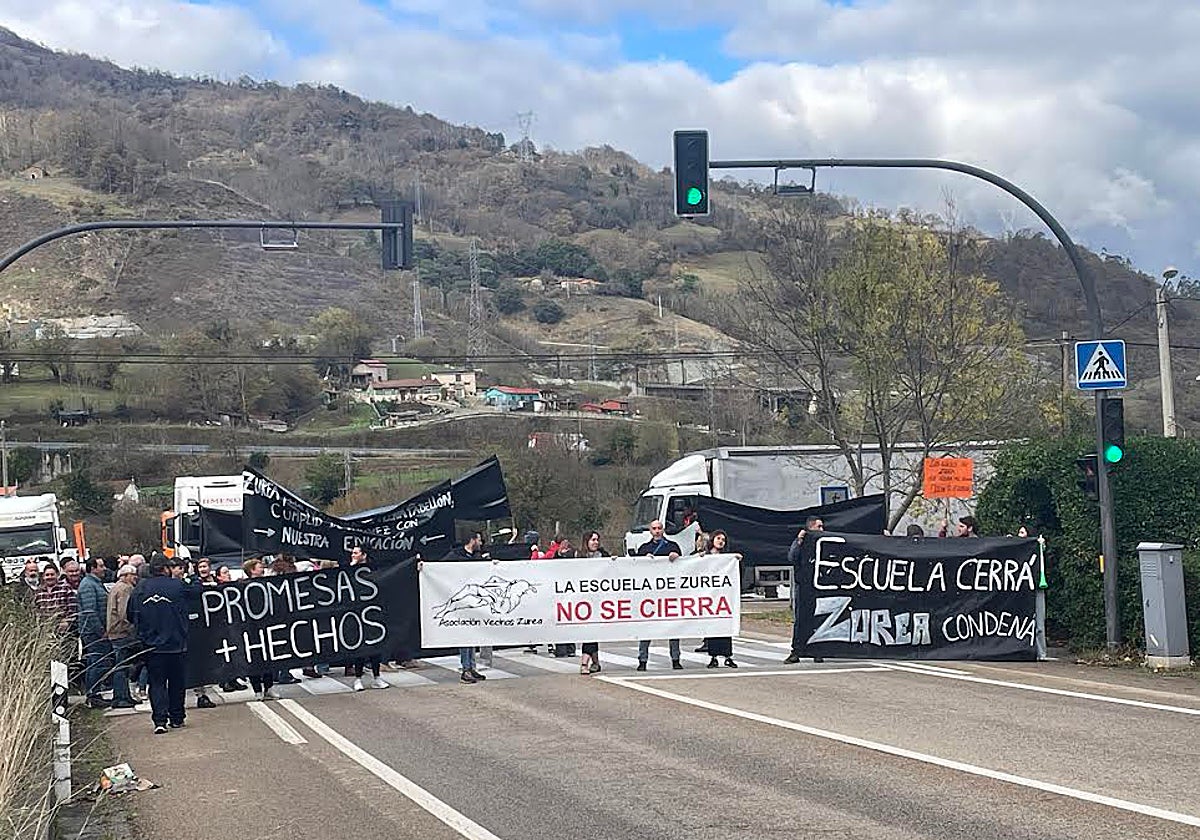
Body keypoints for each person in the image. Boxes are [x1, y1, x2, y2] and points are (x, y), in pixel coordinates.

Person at [127, 556, 197, 734]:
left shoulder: (140, 588)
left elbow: (129, 614)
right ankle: (176, 717)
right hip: (176, 643)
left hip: (151, 645)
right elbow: (198, 593)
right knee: (176, 682)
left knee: (156, 682)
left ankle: (159, 720)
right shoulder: (177, 586)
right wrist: (190, 576)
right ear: (166, 568)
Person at [635, 520, 684, 671]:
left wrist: (677, 557)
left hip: (669, 593)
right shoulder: (644, 548)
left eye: (659, 528)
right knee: (647, 628)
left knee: (673, 628)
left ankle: (675, 659)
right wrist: (645, 560)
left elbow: (684, 566)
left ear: (663, 530)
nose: (657, 531)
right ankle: (642, 660)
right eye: (654, 528)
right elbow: (635, 567)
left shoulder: (673, 547)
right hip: (649, 595)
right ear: (650, 531)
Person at [444, 532, 488, 684]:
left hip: (474, 602)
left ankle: (471, 667)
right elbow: (439, 567)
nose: (480, 542)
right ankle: (465, 669)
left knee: (473, 635)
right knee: (465, 635)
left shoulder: (477, 556)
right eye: (478, 539)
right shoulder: (455, 555)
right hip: (462, 601)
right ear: (472, 540)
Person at [784, 515, 824, 665]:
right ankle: (797, 651)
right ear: (810, 527)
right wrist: (799, 540)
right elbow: (792, 557)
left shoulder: (825, 542)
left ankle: (817, 650)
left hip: (819, 588)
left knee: (818, 619)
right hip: (803, 587)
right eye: (818, 526)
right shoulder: (801, 542)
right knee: (801, 619)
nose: (822, 529)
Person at [348, 546, 389, 692]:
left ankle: (377, 677)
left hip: (372, 613)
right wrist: (352, 566)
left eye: (356, 553)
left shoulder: (373, 569)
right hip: (356, 613)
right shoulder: (347, 569)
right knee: (360, 648)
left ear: (364, 555)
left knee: (375, 647)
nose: (353, 555)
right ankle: (358, 679)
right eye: (352, 553)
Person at [77, 556, 112, 709]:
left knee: (98, 662)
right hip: (93, 633)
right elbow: (90, 611)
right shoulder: (88, 586)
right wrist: (101, 630)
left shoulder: (95, 584)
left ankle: (95, 693)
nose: (104, 569)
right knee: (96, 663)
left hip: (96, 631)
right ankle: (93, 695)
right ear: (92, 568)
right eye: (101, 566)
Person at [105, 564, 140, 710]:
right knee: (122, 666)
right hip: (122, 632)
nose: (135, 578)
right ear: (125, 576)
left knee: (121, 665)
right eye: (133, 575)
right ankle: (121, 697)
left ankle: (123, 695)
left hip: (114, 631)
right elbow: (124, 612)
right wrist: (133, 627)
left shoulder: (115, 588)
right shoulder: (125, 589)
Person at [702, 530, 738, 669]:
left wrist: (736, 560)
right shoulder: (705, 556)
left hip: (724, 597)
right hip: (710, 597)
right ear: (712, 540)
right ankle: (713, 656)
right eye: (718, 538)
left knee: (725, 626)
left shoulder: (727, 558)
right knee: (713, 627)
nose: (721, 541)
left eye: (723, 539)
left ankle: (728, 655)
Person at [578, 531, 606, 675]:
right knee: (589, 632)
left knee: (591, 632)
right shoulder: (578, 556)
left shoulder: (603, 555)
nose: (595, 542)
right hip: (583, 601)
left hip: (599, 601)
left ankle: (589, 663)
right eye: (593, 540)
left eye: (597, 540)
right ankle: (589, 663)